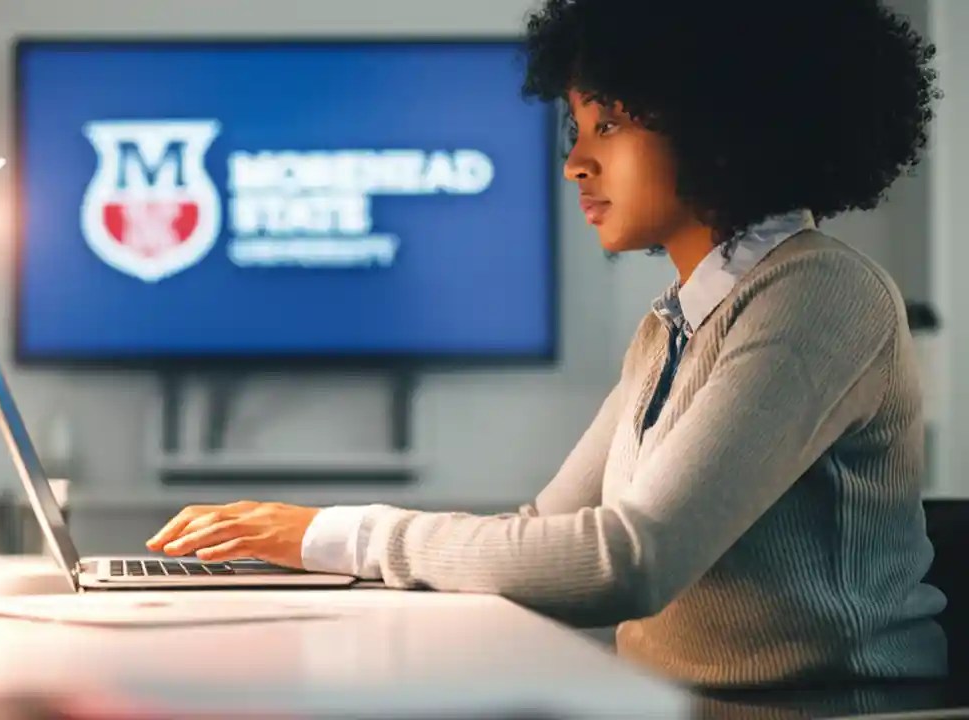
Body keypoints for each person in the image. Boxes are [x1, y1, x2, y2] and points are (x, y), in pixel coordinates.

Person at [147, 0, 946, 687]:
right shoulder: (674, 322)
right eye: (577, 127)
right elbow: (547, 527)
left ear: (719, 127)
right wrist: (305, 561)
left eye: (608, 124)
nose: (574, 163)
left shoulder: (819, 294)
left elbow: (628, 562)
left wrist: (341, 534)